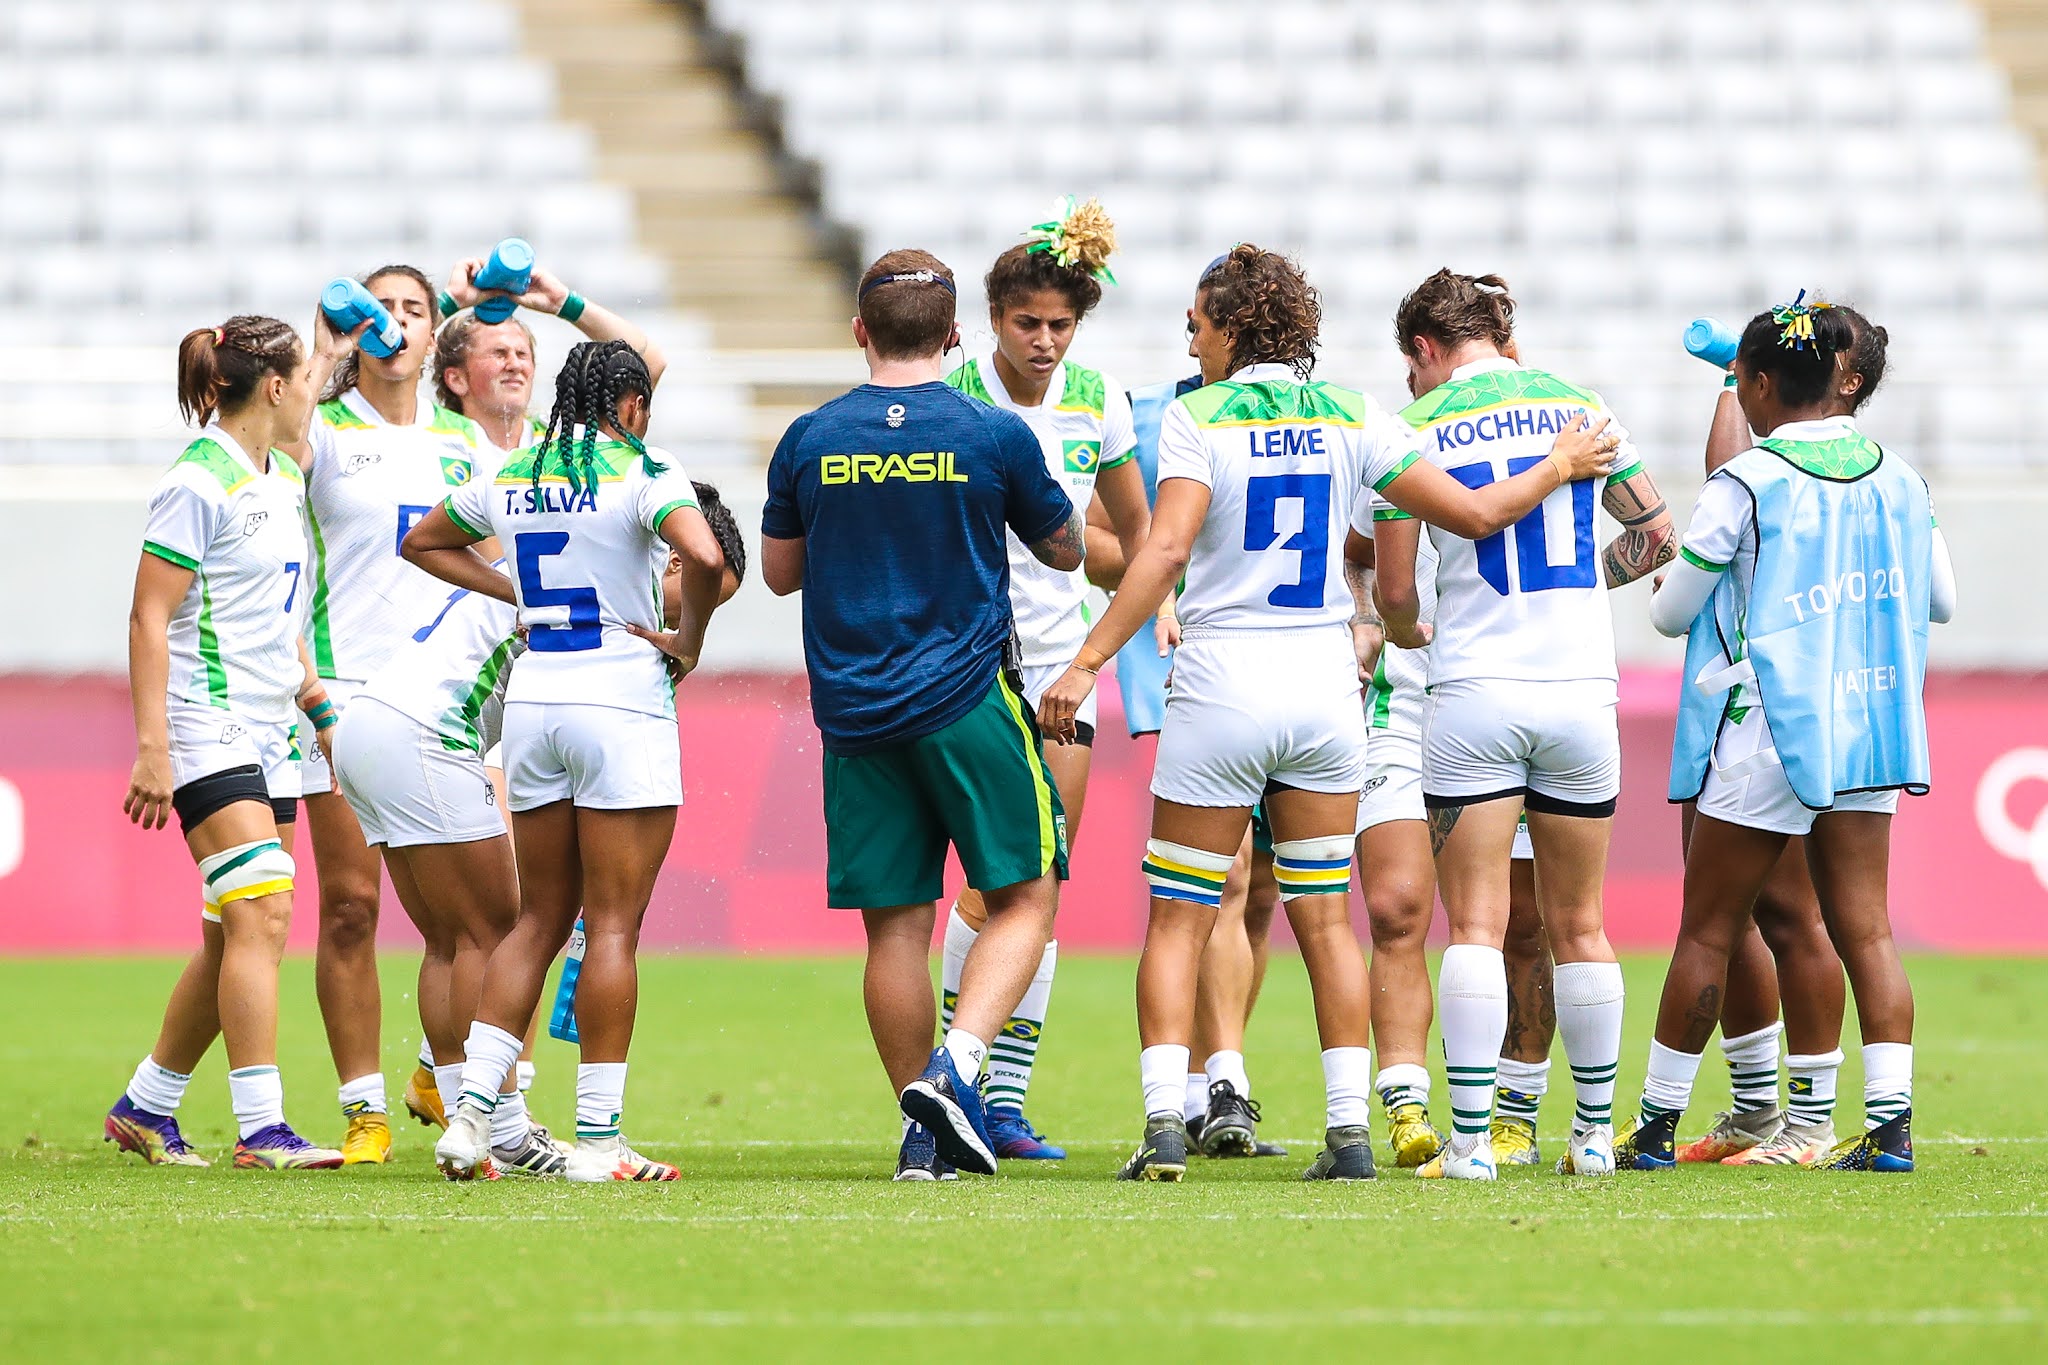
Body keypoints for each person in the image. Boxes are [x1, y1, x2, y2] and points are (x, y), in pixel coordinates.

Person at [1036, 245, 1619, 1183]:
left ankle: (1166, 1128)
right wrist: (1556, 466)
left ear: (1232, 327)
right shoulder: (1355, 412)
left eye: (1197, 324)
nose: (1191, 341)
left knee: (1180, 917)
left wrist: (1088, 659)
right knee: (1326, 920)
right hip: (1322, 692)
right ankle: (1350, 1131)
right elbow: (1474, 516)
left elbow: (1165, 550)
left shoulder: (1194, 416)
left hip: (1223, 682)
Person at [763, 249, 1082, 1181]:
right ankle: (958, 1067)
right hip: (968, 700)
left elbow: (779, 573)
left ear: (860, 331)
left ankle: (923, 1136)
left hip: (855, 713)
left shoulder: (809, 437)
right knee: (1027, 894)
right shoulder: (992, 431)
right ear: (954, 336)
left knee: (894, 929)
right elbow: (1065, 551)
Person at [1622, 297, 1954, 1173]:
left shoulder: (1748, 481)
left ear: (1762, 384)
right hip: (1870, 722)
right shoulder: (1902, 478)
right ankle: (1882, 1130)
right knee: (1866, 932)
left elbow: (1671, 614)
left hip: (1769, 729)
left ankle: (1653, 1129)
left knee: (1709, 927)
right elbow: (1941, 601)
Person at [1369, 268, 1675, 1181]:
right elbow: (1657, 537)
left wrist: (1406, 630)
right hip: (1581, 690)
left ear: (1426, 347)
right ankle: (1592, 1138)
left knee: (1476, 923)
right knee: (1581, 925)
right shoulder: (1581, 407)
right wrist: (1581, 580)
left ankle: (1469, 1145)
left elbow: (1395, 591)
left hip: (1477, 690)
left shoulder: (1413, 427)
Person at [405, 339, 723, 1182]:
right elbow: (707, 555)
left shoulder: (514, 470)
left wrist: (516, 591)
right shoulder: (645, 467)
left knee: (536, 919)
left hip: (535, 697)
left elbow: (423, 541)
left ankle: (471, 1116)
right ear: (632, 405)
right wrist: (686, 639)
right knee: (613, 924)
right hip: (619, 696)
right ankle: (599, 1142)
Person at [105, 313, 353, 1170]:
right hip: (205, 723)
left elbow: (277, 613)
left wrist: (316, 704)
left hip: (273, 726)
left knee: (233, 931)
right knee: (265, 911)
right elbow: (148, 615)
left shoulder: (280, 475)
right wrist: (153, 747)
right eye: (307, 380)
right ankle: (261, 1127)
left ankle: (146, 1103)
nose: (314, 395)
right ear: (275, 387)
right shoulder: (198, 481)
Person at [936, 198, 1151, 1160]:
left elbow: (1138, 538)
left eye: (1061, 324)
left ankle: (998, 1100)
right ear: (993, 319)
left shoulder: (1099, 398)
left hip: (1064, 671)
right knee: (991, 886)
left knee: (1039, 883)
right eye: (1027, 322)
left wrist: (1139, 613)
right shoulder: (954, 394)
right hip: (966, 668)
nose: (1045, 341)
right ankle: (958, 1078)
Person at [287, 264, 494, 1163]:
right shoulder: (326, 427)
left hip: (442, 700)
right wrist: (323, 349)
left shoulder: (466, 440)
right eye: (381, 308)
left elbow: (498, 547)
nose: (396, 323)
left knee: (458, 915)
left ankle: (455, 1086)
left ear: (435, 331)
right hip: (342, 692)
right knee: (350, 905)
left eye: (414, 310)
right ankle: (363, 1108)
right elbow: (274, 456)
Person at [433, 259, 669, 457]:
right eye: (499, 353)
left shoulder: (561, 440)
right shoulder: (431, 435)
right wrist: (451, 302)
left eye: (522, 354)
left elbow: (647, 364)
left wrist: (565, 304)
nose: (514, 365)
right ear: (456, 379)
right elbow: (406, 349)